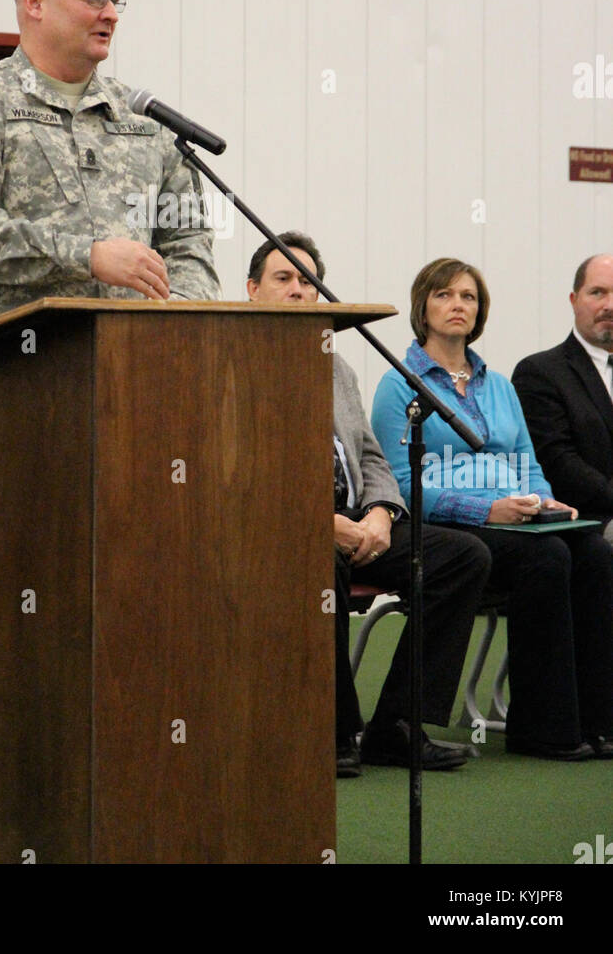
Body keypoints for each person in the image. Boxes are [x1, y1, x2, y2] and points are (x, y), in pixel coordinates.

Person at [0, 0, 221, 862]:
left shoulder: (145, 123)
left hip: (131, 407)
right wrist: (84, 256)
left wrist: (190, 309)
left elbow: (189, 238)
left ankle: (113, 801)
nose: (110, 13)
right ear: (33, 2)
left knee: (129, 601)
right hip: (5, 403)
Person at [246, 233, 490, 776]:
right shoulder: (234, 365)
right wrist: (324, 522)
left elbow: (373, 457)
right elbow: (246, 474)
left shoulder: (336, 365)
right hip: (281, 525)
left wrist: (381, 514)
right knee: (321, 559)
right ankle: (331, 732)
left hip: (360, 521)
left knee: (463, 556)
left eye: (307, 282)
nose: (297, 291)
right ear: (252, 290)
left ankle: (397, 726)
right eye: (283, 279)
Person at [371, 257, 613, 762]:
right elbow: (401, 481)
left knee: (592, 551)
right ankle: (543, 729)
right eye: (444, 295)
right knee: (548, 559)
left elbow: (527, 460)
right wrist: (486, 512)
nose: (457, 305)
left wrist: (546, 502)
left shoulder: (499, 384)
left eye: (468, 297)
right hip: (448, 525)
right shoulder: (399, 384)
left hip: (518, 519)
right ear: (423, 305)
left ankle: (597, 720)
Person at [513, 254, 613, 541]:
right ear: (573, 299)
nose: (610, 305)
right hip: (583, 518)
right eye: (598, 292)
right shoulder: (540, 372)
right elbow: (558, 463)